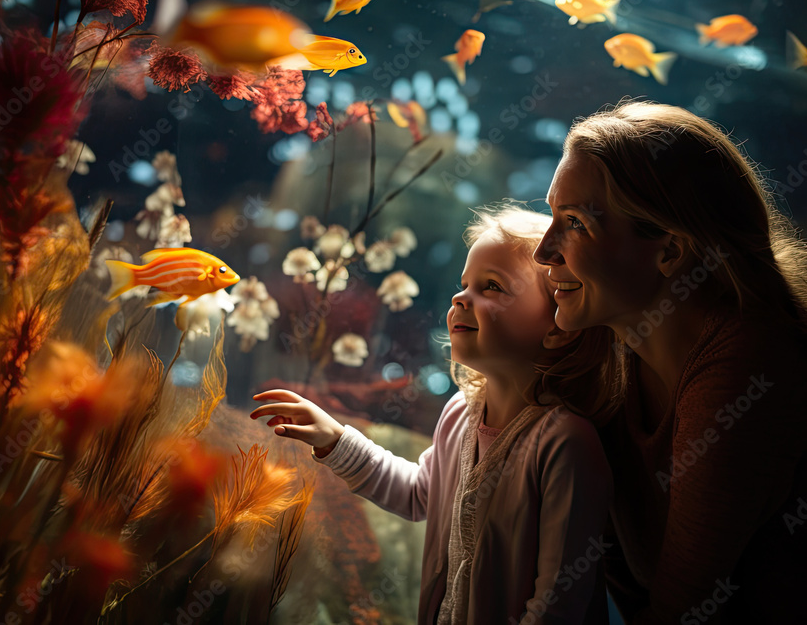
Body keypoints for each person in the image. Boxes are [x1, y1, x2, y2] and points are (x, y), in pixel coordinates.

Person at [533, 100, 807, 624]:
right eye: (552, 217)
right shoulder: (608, 354)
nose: (543, 251)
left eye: (575, 223)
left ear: (670, 251)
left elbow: (681, 611)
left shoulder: (747, 370)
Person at [252, 205, 614, 624]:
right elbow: (417, 493)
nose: (461, 298)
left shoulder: (565, 443)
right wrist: (336, 439)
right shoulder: (460, 413)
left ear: (557, 325)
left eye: (492, 286)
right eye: (465, 285)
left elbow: (558, 603)